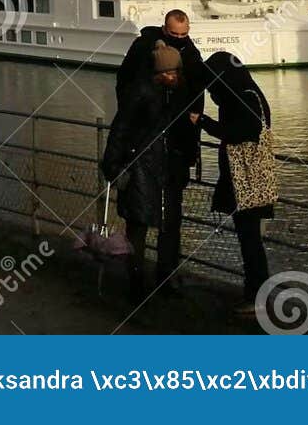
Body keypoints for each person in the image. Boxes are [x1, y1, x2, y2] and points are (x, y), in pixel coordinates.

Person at [101, 40, 203, 299]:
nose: (173, 76)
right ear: (157, 72)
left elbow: (182, 132)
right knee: (139, 228)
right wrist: (113, 165)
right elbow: (121, 129)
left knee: (168, 227)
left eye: (175, 72)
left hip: (167, 169)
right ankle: (138, 283)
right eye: (168, 72)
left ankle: (163, 280)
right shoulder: (143, 93)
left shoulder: (175, 92)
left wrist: (189, 157)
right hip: (143, 170)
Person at [202, 51, 277, 314]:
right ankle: (256, 293)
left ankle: (255, 296)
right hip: (252, 178)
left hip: (245, 179)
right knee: (251, 238)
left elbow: (238, 132)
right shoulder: (250, 92)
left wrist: (204, 122)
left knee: (250, 239)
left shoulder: (242, 98)